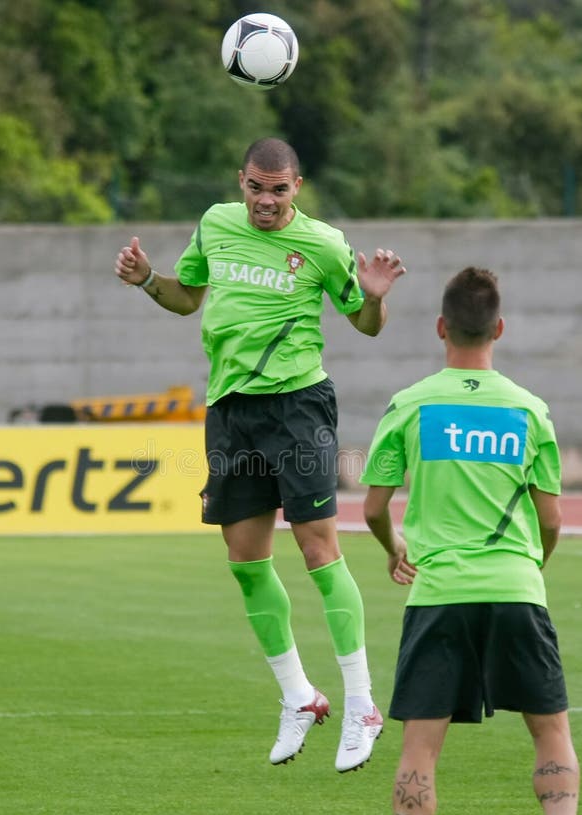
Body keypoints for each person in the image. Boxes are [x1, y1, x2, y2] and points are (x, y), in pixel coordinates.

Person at [114, 137, 406, 772]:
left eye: (278, 189)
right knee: (245, 559)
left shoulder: (324, 245)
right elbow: (187, 297)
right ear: (240, 182)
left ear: (296, 188)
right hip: (230, 409)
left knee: (317, 549)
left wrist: (375, 294)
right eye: (256, 187)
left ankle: (362, 703)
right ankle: (299, 696)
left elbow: (365, 323)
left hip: (297, 405)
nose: (266, 200)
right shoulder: (215, 225)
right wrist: (146, 282)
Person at [360, 267, 582, 815]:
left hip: (438, 595)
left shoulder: (411, 404)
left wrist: (394, 548)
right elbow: (551, 521)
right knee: (550, 731)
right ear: (499, 328)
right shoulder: (528, 409)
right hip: (516, 589)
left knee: (420, 746)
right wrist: (530, 567)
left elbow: (374, 507)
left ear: (441, 328)